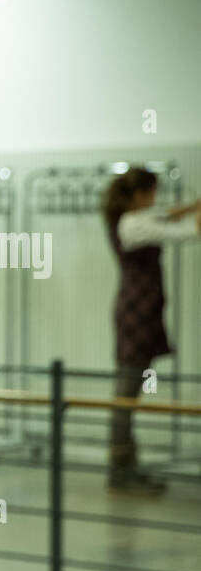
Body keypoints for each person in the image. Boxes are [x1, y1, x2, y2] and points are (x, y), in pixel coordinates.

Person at [102, 167, 201, 494]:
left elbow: (166, 217)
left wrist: (189, 209)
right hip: (137, 316)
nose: (154, 199)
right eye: (151, 193)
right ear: (139, 194)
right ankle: (121, 471)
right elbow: (178, 230)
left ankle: (126, 469)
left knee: (129, 394)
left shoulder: (135, 218)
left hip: (141, 313)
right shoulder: (133, 222)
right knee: (126, 396)